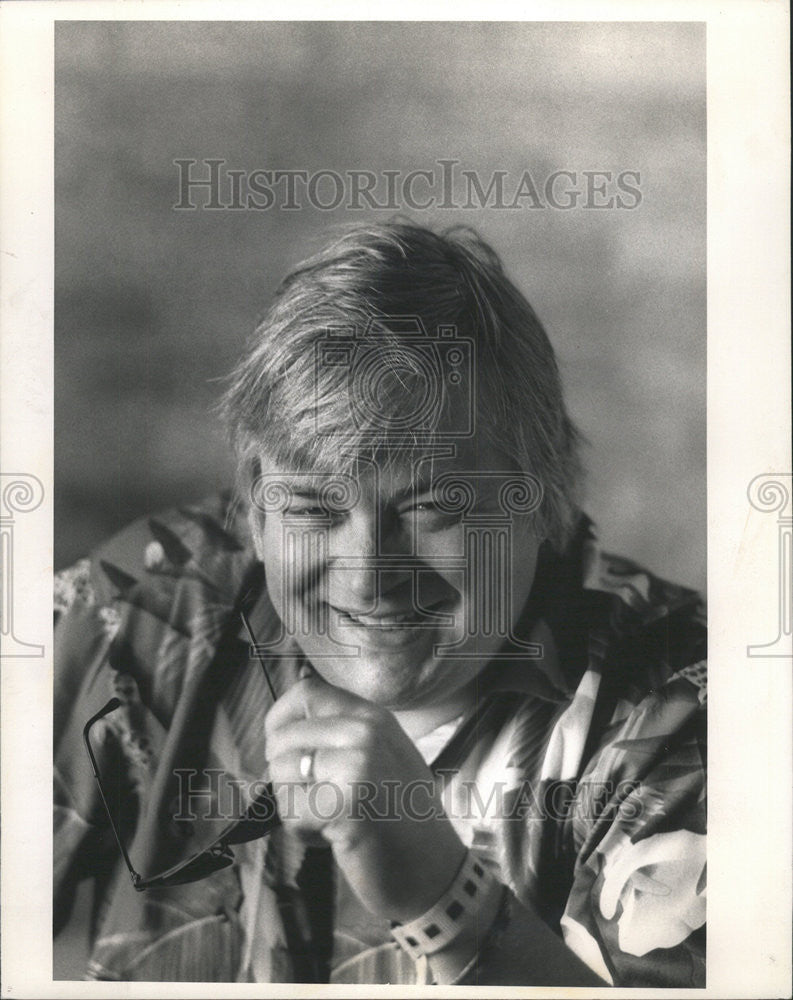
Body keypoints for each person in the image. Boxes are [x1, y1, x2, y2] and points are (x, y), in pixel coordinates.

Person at [54, 221, 706, 986]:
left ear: (541, 495)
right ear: (256, 509)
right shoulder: (132, 615)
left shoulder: (688, 714)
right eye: (314, 508)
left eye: (431, 506)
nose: (368, 574)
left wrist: (445, 900)